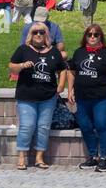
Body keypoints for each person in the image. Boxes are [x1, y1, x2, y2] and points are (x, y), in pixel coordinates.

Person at [8, 20, 68, 171]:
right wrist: (21, 66)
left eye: (42, 32)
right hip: (26, 96)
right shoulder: (23, 50)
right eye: (35, 32)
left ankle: (39, 158)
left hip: (48, 97)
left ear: (47, 35)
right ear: (30, 35)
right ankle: (22, 157)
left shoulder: (54, 52)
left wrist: (61, 85)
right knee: (27, 126)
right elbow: (11, 66)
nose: (39, 35)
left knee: (43, 127)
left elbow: (63, 69)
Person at [67, 23, 106, 173]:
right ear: (85, 36)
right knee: (84, 125)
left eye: (95, 34)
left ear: (100, 37)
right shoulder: (79, 53)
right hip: (82, 97)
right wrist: (70, 90)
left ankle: (104, 157)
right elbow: (71, 72)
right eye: (89, 34)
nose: (92, 37)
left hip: (101, 97)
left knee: (101, 125)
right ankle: (93, 156)